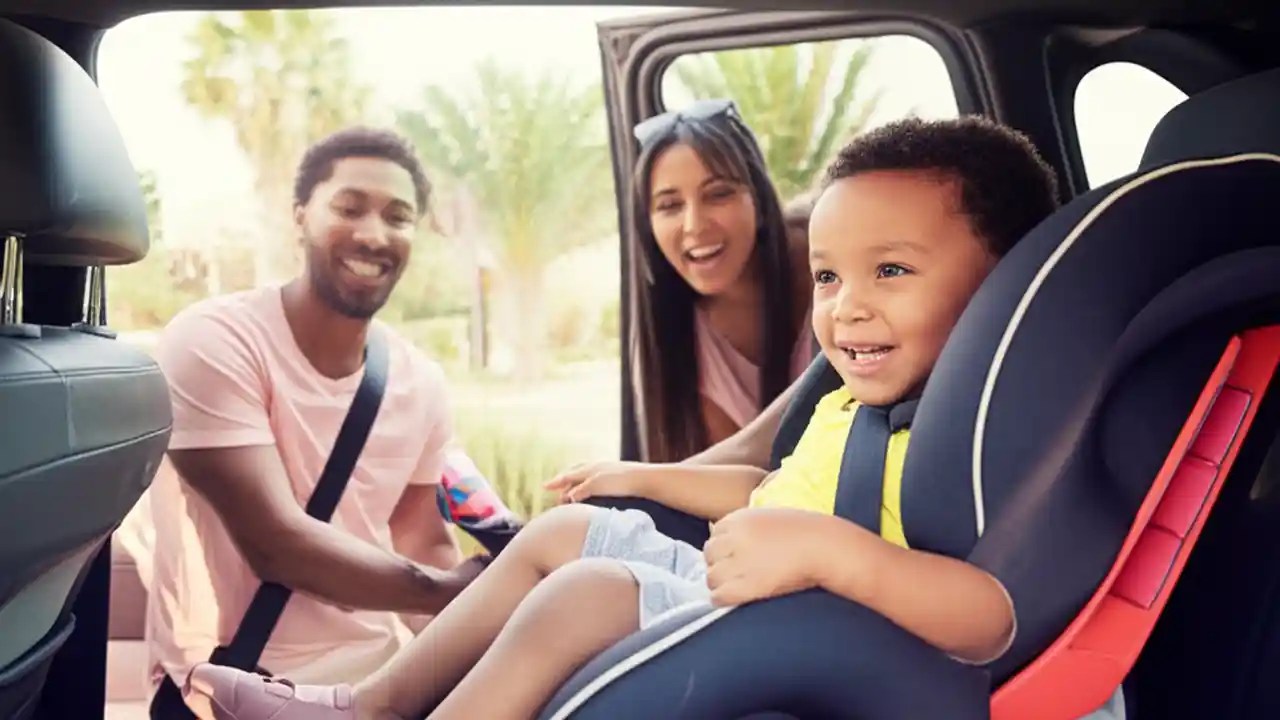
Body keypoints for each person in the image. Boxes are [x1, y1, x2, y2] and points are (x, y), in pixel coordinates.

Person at [179, 115, 1066, 720]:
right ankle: (370, 705)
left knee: (592, 588)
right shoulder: (848, 404)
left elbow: (990, 617)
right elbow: (770, 486)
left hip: (816, 624)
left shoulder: (972, 437)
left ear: (1002, 288)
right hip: (754, 580)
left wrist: (835, 553)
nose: (845, 308)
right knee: (565, 533)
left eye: (893, 272)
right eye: (830, 278)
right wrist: (637, 479)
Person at [142, 127, 507, 708]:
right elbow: (276, 543)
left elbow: (420, 538)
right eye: (349, 207)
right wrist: (446, 591)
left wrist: (473, 648)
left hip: (381, 681)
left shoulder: (419, 381)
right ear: (299, 217)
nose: (373, 234)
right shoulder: (212, 341)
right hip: (229, 686)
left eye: (398, 216)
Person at [630, 99, 814, 463]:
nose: (694, 225)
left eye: (718, 194)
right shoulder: (676, 340)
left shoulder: (827, 264)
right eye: (670, 206)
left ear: (758, 203)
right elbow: (740, 480)